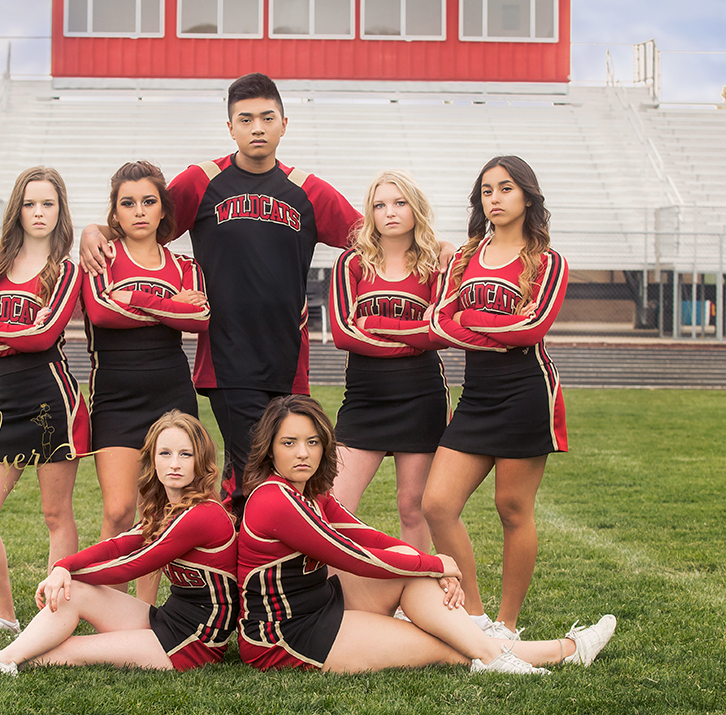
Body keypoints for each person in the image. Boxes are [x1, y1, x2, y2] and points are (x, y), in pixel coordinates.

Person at [79, 73, 362, 519]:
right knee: (254, 475)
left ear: (284, 124)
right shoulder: (203, 180)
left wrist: (437, 245)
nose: (257, 128)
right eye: (245, 119)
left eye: (267, 118)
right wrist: (95, 229)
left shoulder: (308, 190)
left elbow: (373, 237)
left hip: (288, 358)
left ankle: (258, 549)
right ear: (230, 127)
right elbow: (145, 218)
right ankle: (250, 553)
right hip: (228, 358)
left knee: (283, 474)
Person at [237, 395, 613, 674]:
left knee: (410, 572)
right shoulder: (274, 500)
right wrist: (436, 564)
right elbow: (352, 556)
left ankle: (502, 652)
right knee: (443, 647)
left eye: (312, 442)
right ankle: (562, 651)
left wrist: (429, 566)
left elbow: (368, 536)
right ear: (270, 450)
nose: (303, 453)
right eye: (289, 443)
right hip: (284, 636)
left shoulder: (310, 493)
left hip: (322, 605)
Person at [0, 411, 238, 675]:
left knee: (71, 649)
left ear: (201, 461)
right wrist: (63, 567)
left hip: (195, 641)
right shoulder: (167, 506)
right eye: (165, 454)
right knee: (73, 594)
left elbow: (134, 564)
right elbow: (119, 545)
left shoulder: (203, 514)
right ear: (153, 460)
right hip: (169, 619)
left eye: (185, 454)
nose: (174, 464)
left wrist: (66, 573)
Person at [423, 155, 569, 641]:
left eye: (506, 188)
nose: (495, 198)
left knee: (512, 509)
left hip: (526, 393)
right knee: (437, 504)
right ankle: (476, 617)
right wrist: (495, 330)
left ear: (527, 195)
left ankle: (506, 625)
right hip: (478, 395)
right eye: (487, 191)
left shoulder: (548, 261)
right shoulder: (465, 257)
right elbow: (439, 323)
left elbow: (533, 329)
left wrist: (471, 321)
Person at [0, 166, 89, 636]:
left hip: (54, 403)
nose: (38, 212)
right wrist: (17, 333)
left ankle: (51, 623)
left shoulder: (67, 271)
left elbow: (45, 337)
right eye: (30, 203)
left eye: (48, 204)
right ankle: (4, 617)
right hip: (7, 407)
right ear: (17, 209)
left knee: (56, 514)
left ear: (60, 211)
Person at [80, 161, 209, 576]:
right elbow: (102, 313)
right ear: (115, 213)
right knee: (118, 512)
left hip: (172, 397)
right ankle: (106, 601)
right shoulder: (101, 257)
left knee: (162, 512)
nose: (139, 211)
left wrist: (133, 300)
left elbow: (199, 317)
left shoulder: (185, 266)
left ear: (163, 210)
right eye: (128, 203)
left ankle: (145, 608)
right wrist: (170, 306)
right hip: (115, 399)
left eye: (148, 202)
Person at [329, 169, 448, 552]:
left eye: (399, 203)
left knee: (413, 508)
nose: (390, 212)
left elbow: (437, 334)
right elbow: (343, 335)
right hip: (364, 398)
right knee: (335, 506)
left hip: (421, 397)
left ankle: (414, 587)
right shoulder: (351, 263)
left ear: (416, 208)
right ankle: (334, 587)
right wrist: (411, 341)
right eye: (380, 205)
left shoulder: (435, 264)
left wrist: (376, 326)